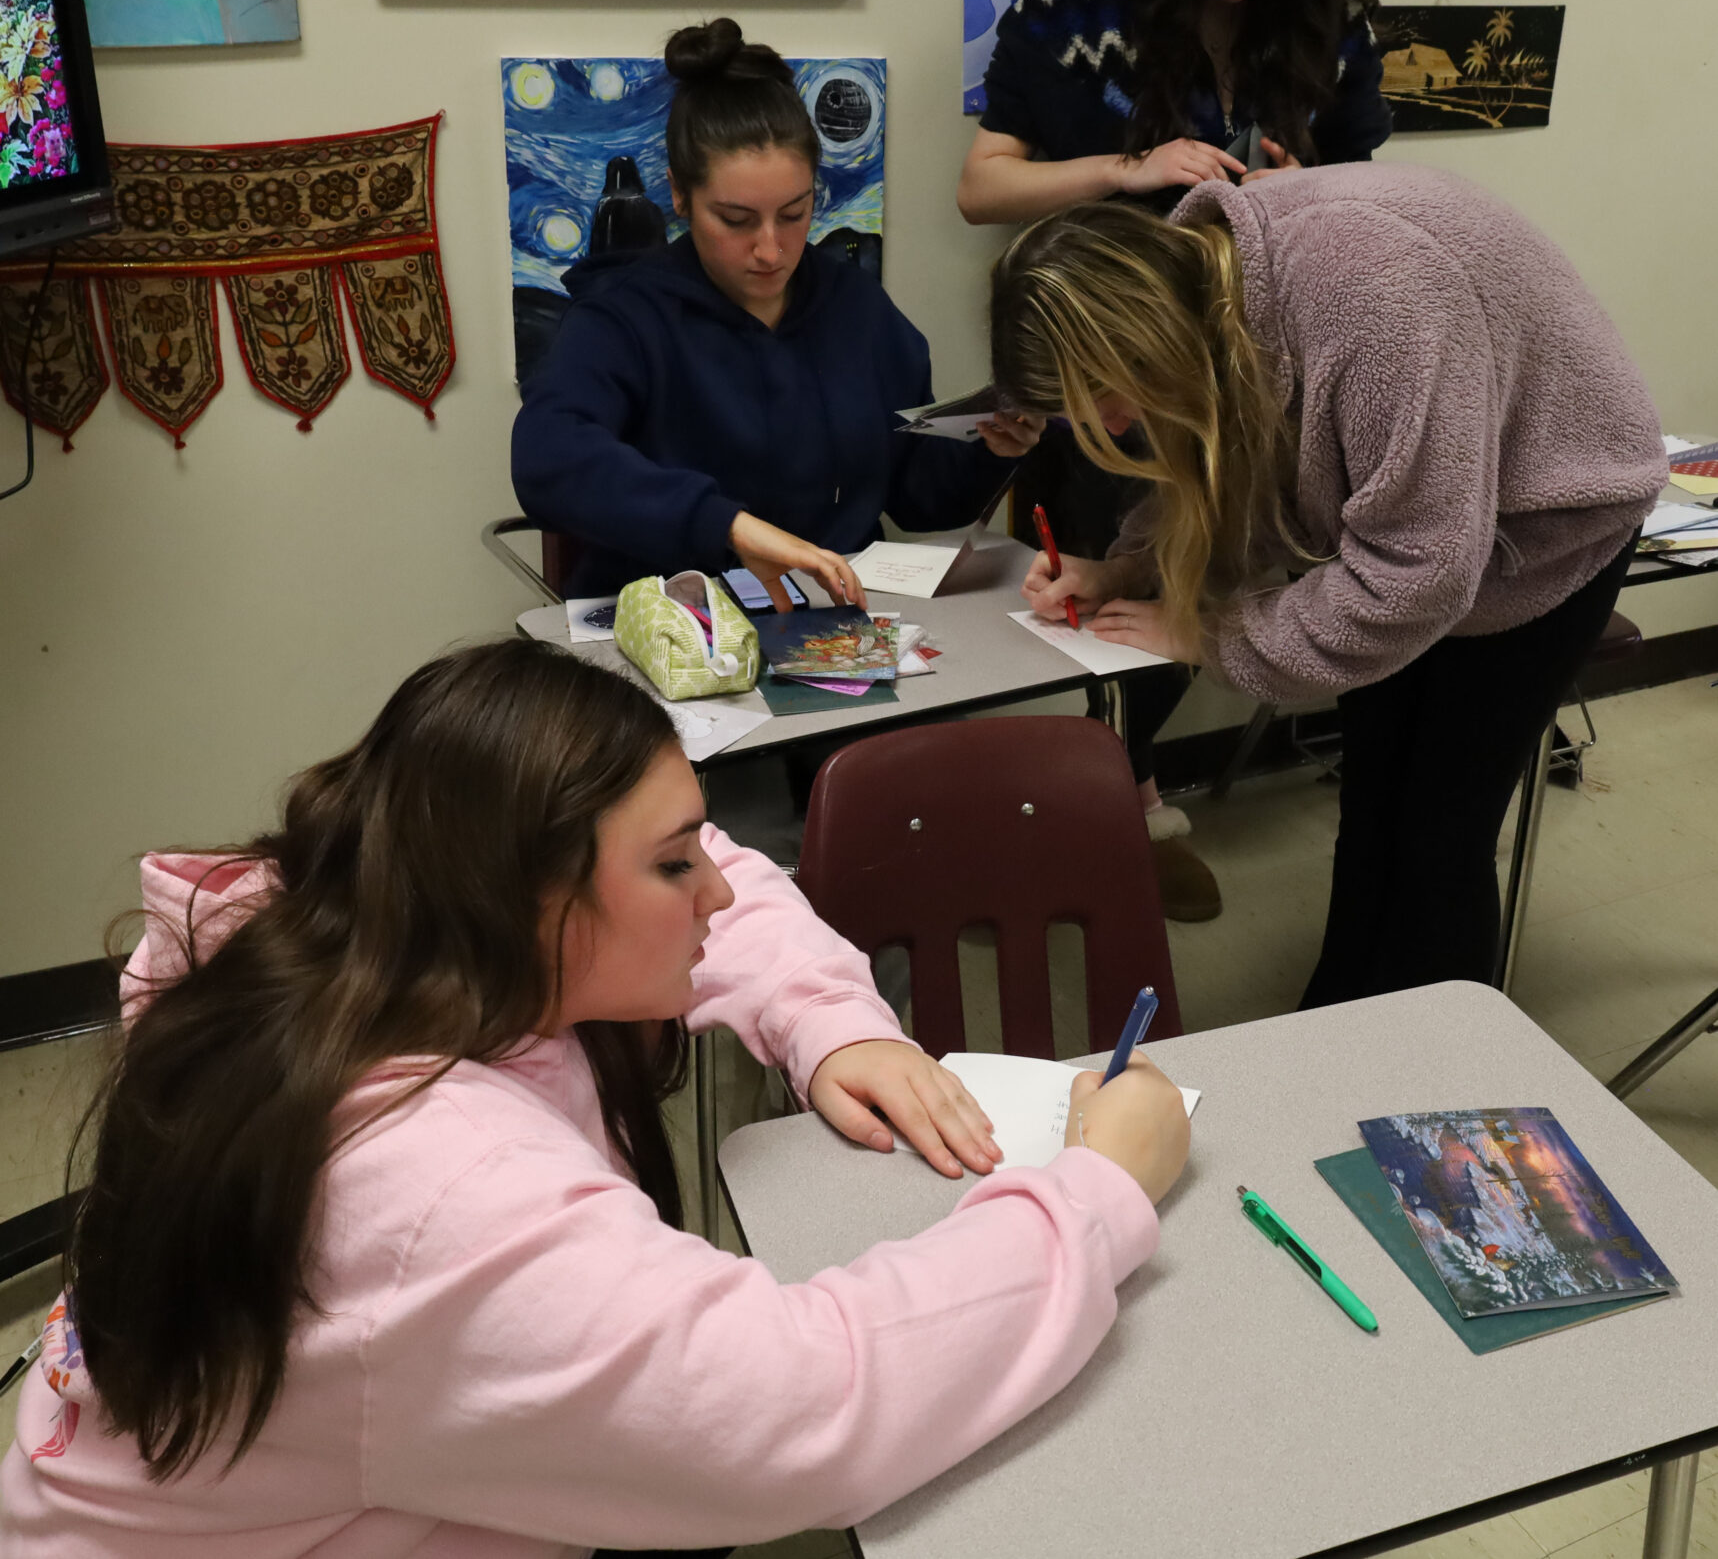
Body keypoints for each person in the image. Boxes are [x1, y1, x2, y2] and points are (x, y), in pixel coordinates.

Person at [0, 643, 1191, 1557]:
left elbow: (708, 878)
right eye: (675, 867)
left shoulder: (346, 916)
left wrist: (829, 1026)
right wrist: (1094, 1187)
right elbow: (808, 1405)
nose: (717, 889)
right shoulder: (426, 1188)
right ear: (527, 900)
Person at [988, 165, 1667, 1008]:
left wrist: (1209, 634)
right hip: (1418, 527)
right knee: (1375, 804)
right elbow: (1229, 465)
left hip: (1548, 518)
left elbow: (1417, 577)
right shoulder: (1210, 282)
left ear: (1140, 329)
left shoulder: (1370, 294)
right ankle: (1342, 1025)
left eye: (1100, 395)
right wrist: (1123, 570)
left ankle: (1440, 1091)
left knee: (1439, 837)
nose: (1114, 426)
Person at [956, 0, 1394, 923]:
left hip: (1250, 363)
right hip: (1107, 350)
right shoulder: (1072, 0)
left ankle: (1115, 810)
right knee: (1104, 580)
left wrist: (1298, 188)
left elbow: (1366, 195)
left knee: (1214, 557)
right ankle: (1097, 810)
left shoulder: (1329, 14)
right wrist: (1123, 167)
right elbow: (981, 188)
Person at [514, 19, 1044, 609]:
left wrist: (989, 450)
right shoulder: (624, 317)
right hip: (675, 627)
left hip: (834, 620)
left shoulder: (858, 310)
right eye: (736, 221)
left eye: (794, 213)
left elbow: (918, 498)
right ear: (680, 196)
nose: (770, 249)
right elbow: (548, 459)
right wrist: (728, 528)